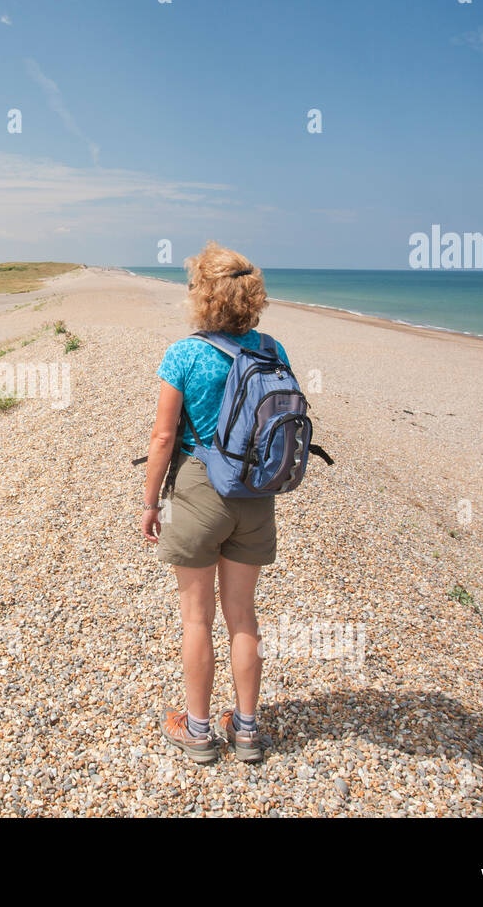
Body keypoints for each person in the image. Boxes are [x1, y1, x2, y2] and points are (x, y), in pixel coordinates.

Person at [140, 241, 292, 764]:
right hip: (256, 494)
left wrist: (148, 503)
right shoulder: (271, 350)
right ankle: (247, 730)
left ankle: (198, 730)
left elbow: (163, 439)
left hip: (199, 491)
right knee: (243, 617)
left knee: (196, 619)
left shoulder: (185, 354)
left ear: (203, 297)